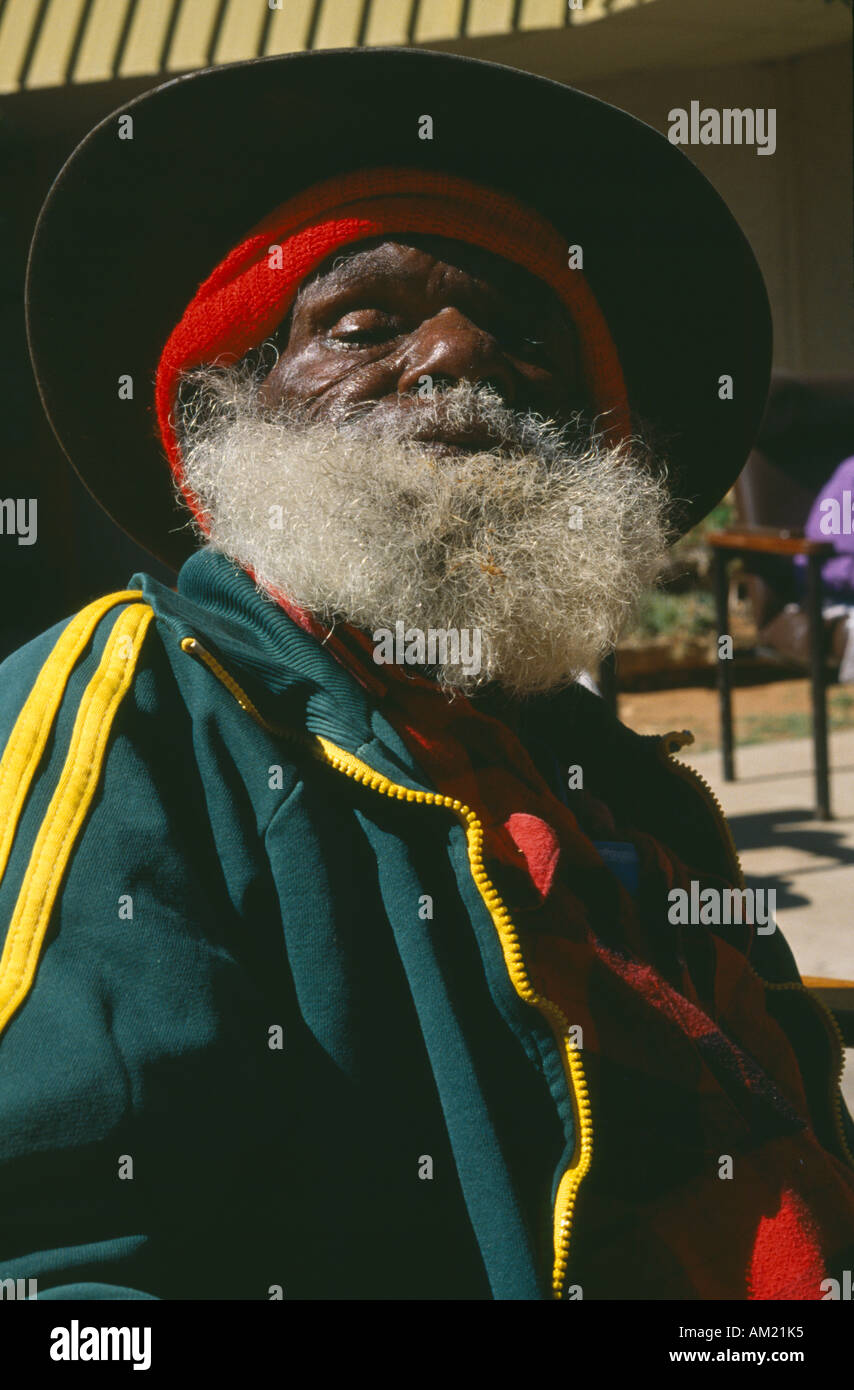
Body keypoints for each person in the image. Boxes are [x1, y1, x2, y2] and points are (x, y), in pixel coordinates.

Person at [2, 48, 853, 1302]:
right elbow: (61, 1265)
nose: (457, 351)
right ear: (233, 410)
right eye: (362, 324)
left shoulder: (626, 788)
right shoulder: (136, 705)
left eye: (527, 338)